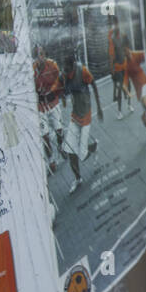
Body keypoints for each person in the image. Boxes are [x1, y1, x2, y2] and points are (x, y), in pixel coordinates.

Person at [59, 52, 102, 194]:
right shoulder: (64, 75)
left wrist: (100, 107)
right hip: (75, 116)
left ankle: (94, 147)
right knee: (70, 150)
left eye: (67, 69)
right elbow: (63, 91)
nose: (65, 72)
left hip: (86, 114)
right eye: (63, 69)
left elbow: (94, 85)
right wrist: (62, 96)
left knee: (82, 154)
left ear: (72, 66)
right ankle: (78, 179)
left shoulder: (83, 71)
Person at [33, 46, 64, 174]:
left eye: (42, 54)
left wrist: (55, 91)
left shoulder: (52, 65)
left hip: (53, 104)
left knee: (59, 130)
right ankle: (51, 160)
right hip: (40, 108)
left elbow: (61, 81)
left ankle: (61, 147)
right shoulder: (32, 70)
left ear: (45, 54)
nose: (40, 57)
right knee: (44, 136)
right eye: (37, 55)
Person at [107, 18, 129, 119]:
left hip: (125, 65)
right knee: (119, 89)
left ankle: (129, 104)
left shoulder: (123, 35)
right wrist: (111, 70)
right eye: (113, 25)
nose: (115, 27)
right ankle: (119, 111)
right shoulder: (111, 39)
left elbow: (127, 48)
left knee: (128, 86)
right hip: (117, 68)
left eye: (116, 24)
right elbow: (111, 55)